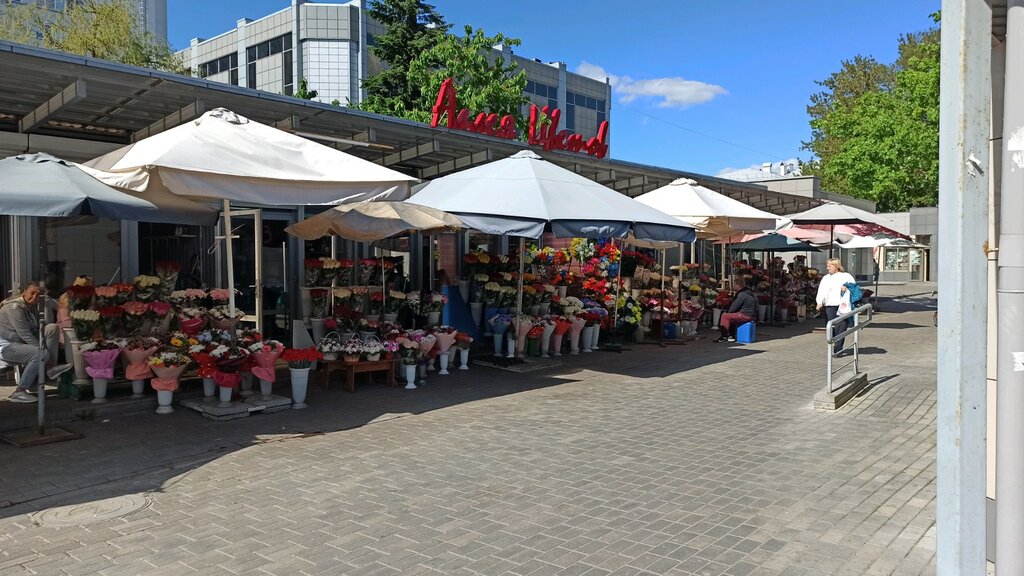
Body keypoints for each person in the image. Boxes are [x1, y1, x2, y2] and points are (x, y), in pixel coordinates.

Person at [0, 282, 72, 403]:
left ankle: (51, 368)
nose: (34, 297)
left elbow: (40, 328)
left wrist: (46, 305)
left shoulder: (32, 307)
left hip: (21, 343)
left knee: (52, 327)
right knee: (41, 354)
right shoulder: (14, 308)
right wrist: (43, 352)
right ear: (24, 292)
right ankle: (19, 392)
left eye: (38, 295)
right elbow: (25, 334)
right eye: (32, 293)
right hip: (7, 347)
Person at [816, 258, 858, 357]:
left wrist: (847, 287)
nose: (827, 268)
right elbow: (821, 291)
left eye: (829, 266)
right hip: (829, 306)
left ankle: (838, 349)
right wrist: (819, 302)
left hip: (843, 306)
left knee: (841, 326)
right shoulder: (826, 278)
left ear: (836, 266)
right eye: (827, 266)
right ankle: (835, 343)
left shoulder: (845, 276)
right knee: (830, 327)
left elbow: (854, 287)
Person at [716, 277, 757, 343]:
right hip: (751, 314)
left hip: (746, 314)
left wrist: (727, 312)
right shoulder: (749, 292)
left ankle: (724, 336)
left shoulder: (742, 294)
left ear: (738, 285)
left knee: (725, 316)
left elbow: (733, 307)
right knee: (732, 316)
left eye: (734, 285)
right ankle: (731, 336)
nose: (733, 287)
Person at [57, 275, 93, 344]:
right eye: (89, 287)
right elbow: (66, 323)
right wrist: (83, 322)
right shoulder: (66, 298)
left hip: (83, 332)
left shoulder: (87, 299)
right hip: (67, 333)